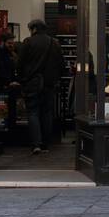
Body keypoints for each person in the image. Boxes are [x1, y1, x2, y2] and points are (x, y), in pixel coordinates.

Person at [16, 18, 63, 154]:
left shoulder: (28, 42)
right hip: (49, 84)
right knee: (47, 113)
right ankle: (45, 144)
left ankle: (36, 144)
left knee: (33, 112)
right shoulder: (55, 43)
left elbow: (20, 64)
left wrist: (22, 80)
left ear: (34, 29)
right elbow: (61, 64)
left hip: (32, 83)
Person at [0, 33, 20, 136]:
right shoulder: (0, 54)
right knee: (2, 113)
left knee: (7, 113)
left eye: (12, 43)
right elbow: (0, 70)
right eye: (9, 43)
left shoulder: (11, 54)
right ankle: (2, 135)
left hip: (9, 87)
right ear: (3, 43)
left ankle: (8, 133)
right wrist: (8, 82)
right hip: (2, 87)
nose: (11, 45)